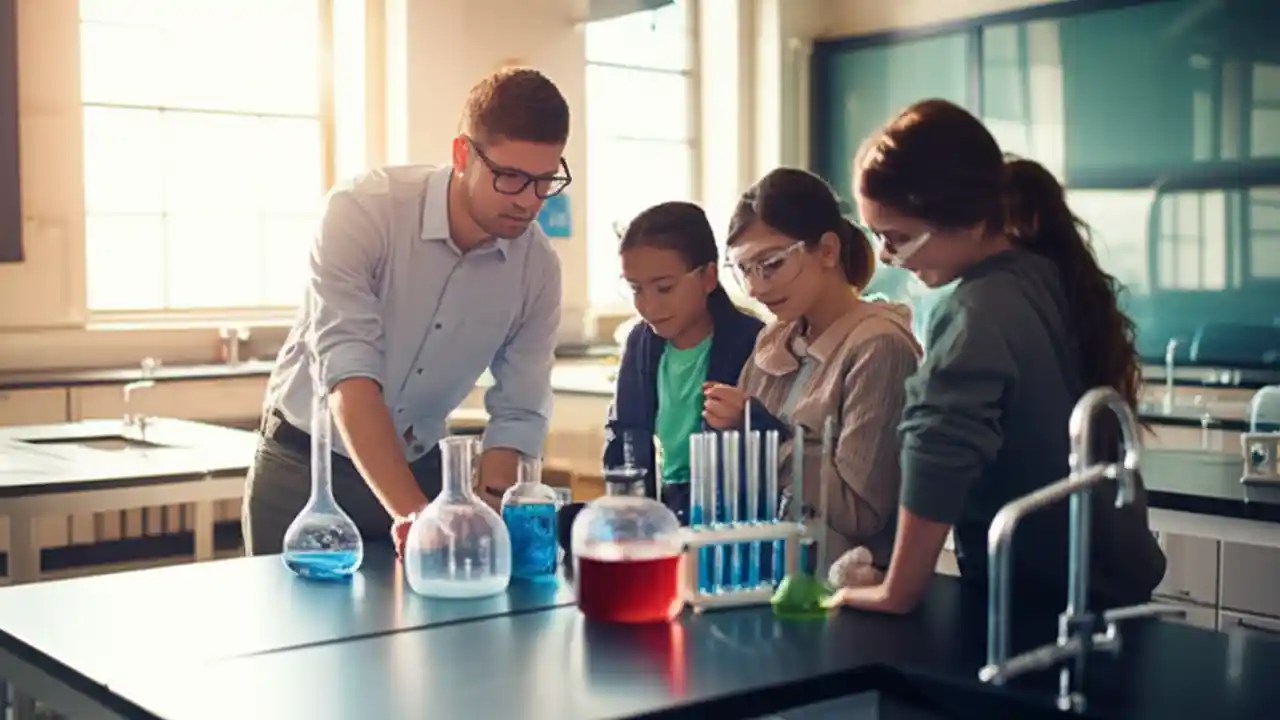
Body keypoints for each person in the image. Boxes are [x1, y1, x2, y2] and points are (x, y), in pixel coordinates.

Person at [825, 99, 1166, 615]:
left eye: (897, 238)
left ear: (963, 217)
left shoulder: (976, 309)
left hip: (1043, 598)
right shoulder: (1046, 273)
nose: (890, 257)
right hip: (1108, 580)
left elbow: (938, 448)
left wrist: (897, 589)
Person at [242, 67, 571, 559]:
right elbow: (349, 377)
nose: (529, 202)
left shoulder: (536, 267)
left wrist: (492, 513)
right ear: (463, 154)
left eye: (545, 181)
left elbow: (520, 410)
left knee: (425, 634)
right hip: (306, 470)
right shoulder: (363, 211)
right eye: (510, 178)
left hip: (424, 470)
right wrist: (416, 516)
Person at [702, 168, 922, 574]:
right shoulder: (774, 341)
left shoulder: (879, 347)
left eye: (770, 264)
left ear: (827, 251)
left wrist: (763, 435)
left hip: (843, 590)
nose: (756, 289)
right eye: (744, 270)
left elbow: (862, 514)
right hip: (765, 576)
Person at [601, 201, 763, 523]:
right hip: (653, 507)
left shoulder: (753, 342)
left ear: (708, 276)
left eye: (664, 288)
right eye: (635, 289)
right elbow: (623, 433)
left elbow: (768, 451)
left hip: (724, 515)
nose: (648, 305)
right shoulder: (640, 342)